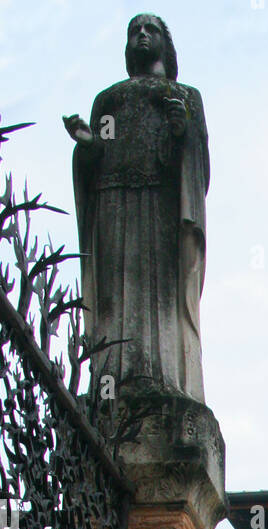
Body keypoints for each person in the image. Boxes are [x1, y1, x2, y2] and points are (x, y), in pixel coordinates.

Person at [63, 14, 209, 401]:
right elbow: (101, 147)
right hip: (114, 204)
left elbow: (199, 168)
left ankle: (165, 382)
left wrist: (181, 131)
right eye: (134, 31)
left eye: (150, 30)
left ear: (165, 43)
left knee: (159, 296)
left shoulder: (186, 98)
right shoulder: (110, 100)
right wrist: (88, 144)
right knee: (116, 296)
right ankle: (111, 383)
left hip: (162, 206)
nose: (141, 35)